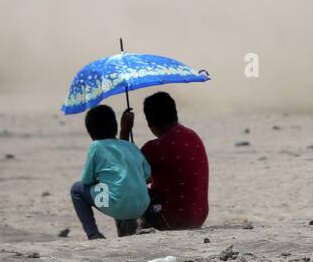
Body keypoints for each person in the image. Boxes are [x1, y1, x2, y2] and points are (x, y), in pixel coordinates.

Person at [120, 91, 209, 229]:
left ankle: (126, 235)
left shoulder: (154, 148)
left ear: (150, 124)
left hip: (172, 219)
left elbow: (127, 176)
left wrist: (124, 134)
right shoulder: (192, 136)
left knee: (122, 188)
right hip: (198, 216)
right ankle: (144, 226)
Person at [71, 104, 151, 240]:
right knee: (122, 188)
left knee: (76, 190)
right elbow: (147, 174)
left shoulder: (96, 146)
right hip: (142, 206)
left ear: (90, 133)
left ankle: (93, 234)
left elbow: (86, 181)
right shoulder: (131, 146)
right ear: (115, 126)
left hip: (116, 204)